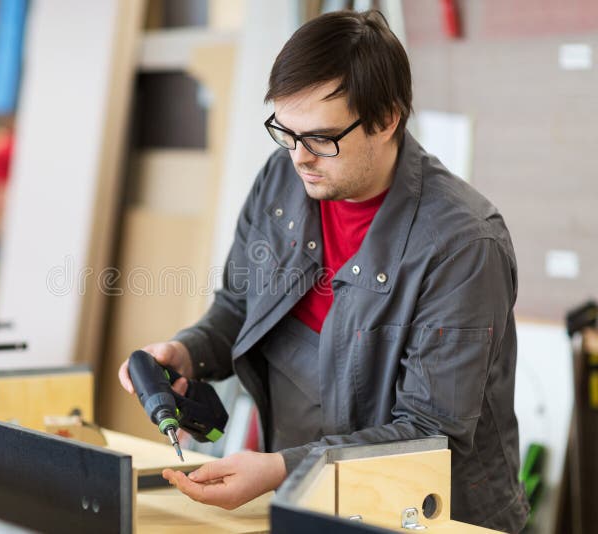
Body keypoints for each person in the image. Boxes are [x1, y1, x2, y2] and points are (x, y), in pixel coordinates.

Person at [118, 10, 528, 532]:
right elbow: (239, 306)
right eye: (284, 133)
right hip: (308, 497)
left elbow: (429, 433)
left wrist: (278, 468)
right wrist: (189, 351)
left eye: (319, 138)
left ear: (386, 120)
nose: (298, 158)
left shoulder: (463, 246)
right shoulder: (283, 183)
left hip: (428, 516)